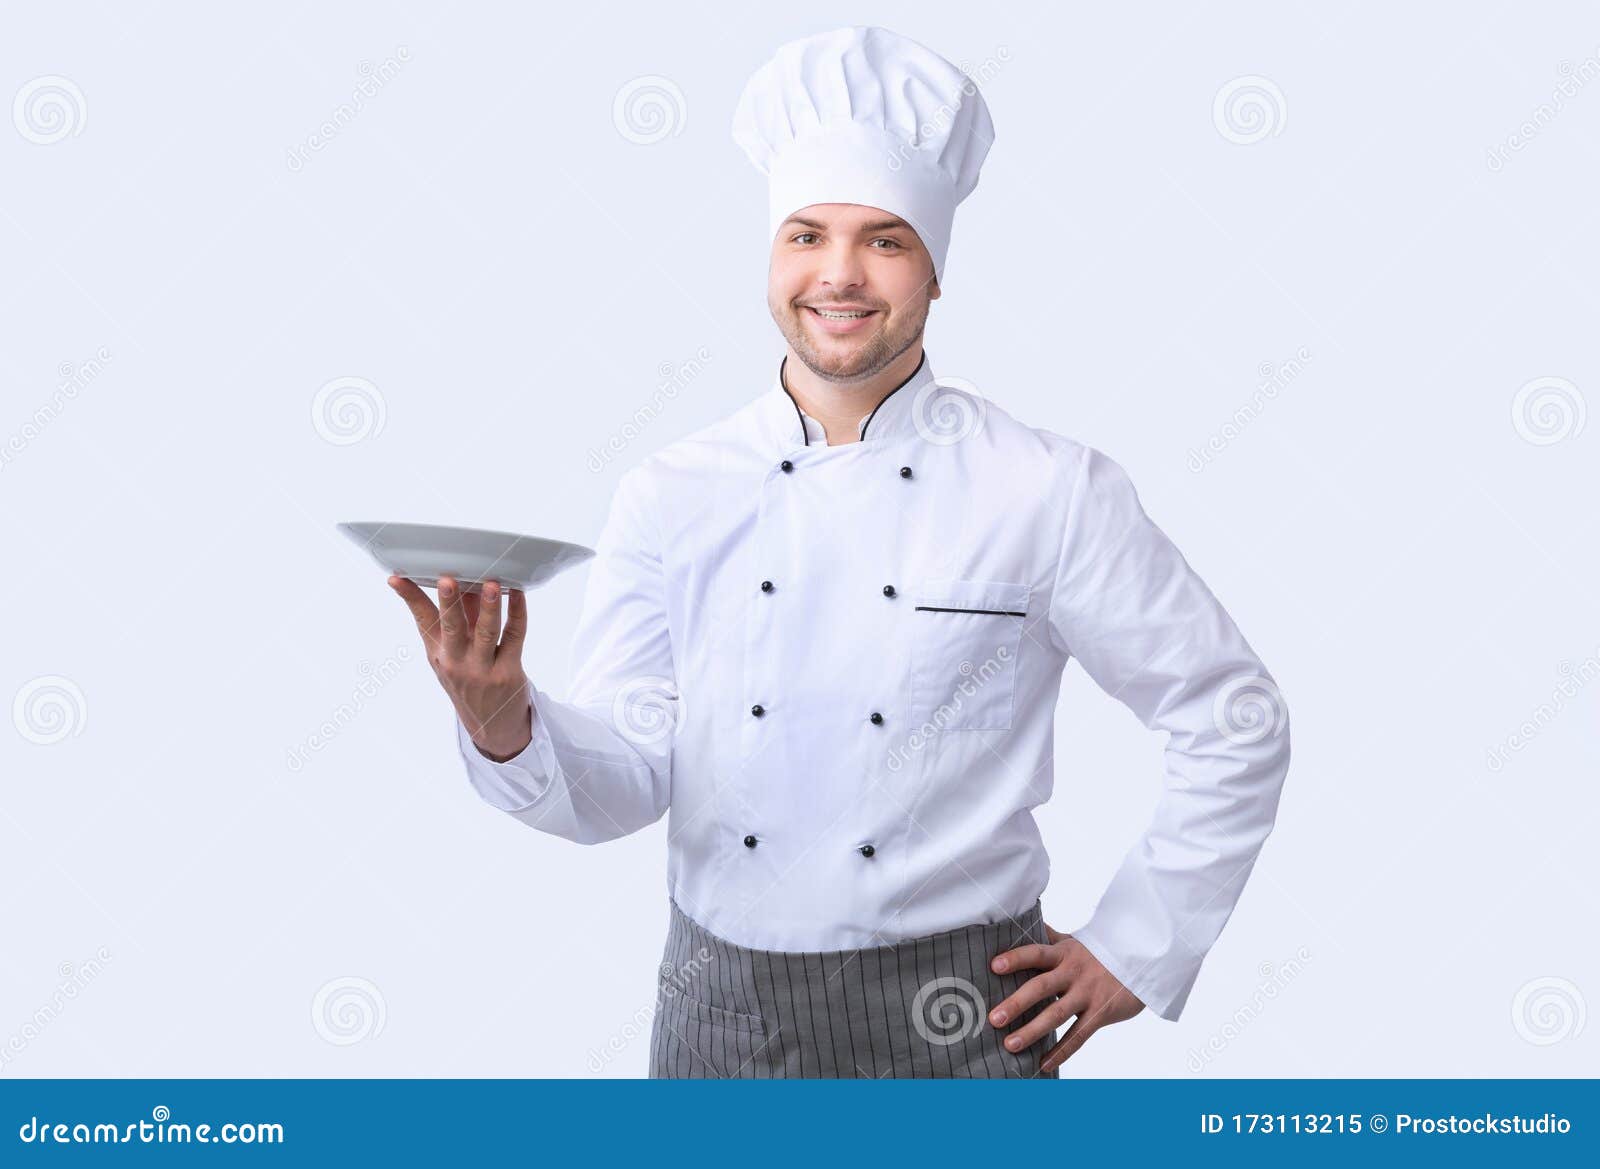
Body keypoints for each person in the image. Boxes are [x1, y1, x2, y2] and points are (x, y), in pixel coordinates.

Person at [388, 25, 1291, 1078]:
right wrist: (505, 723)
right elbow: (628, 779)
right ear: (771, 258)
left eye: (885, 239)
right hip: (716, 1018)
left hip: (961, 1017)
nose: (840, 274)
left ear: (935, 270)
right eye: (806, 235)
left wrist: (1137, 944)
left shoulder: (1047, 488)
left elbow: (1231, 714)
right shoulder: (671, 493)